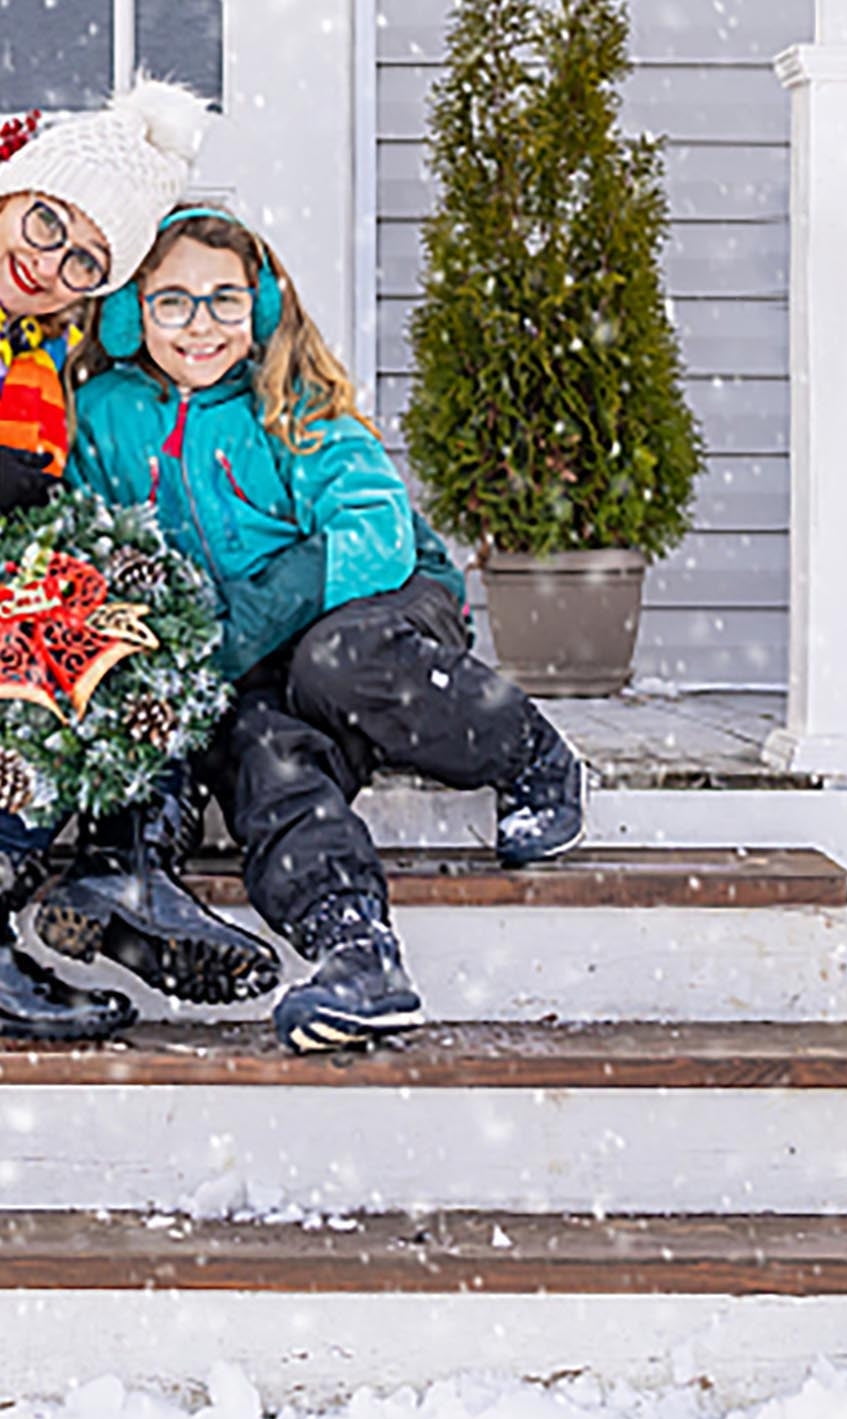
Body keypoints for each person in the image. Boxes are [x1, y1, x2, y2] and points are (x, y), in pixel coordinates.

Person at [70, 207, 586, 1054]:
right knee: (263, 754)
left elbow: (373, 532)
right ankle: (357, 952)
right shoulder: (105, 415)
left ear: (260, 308)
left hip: (377, 606)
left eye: (223, 301)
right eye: (172, 303)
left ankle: (528, 756)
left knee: (334, 663)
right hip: (244, 661)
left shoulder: (290, 402)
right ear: (132, 313)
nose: (200, 325)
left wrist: (242, 625)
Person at [0, 80, 280, 1042]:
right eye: (44, 223)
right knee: (61, 635)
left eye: (84, 258)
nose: (49, 263)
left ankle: (123, 868)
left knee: (129, 609)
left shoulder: (40, 347)